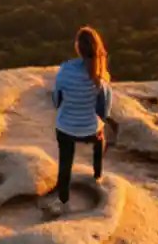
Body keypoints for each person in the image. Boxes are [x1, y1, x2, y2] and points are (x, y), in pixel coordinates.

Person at [48, 26, 113, 214]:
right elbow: (105, 108)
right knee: (100, 138)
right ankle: (97, 175)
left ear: (78, 47)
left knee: (65, 162)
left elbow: (56, 100)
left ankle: (64, 201)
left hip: (66, 128)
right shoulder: (102, 75)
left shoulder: (65, 70)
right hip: (91, 129)